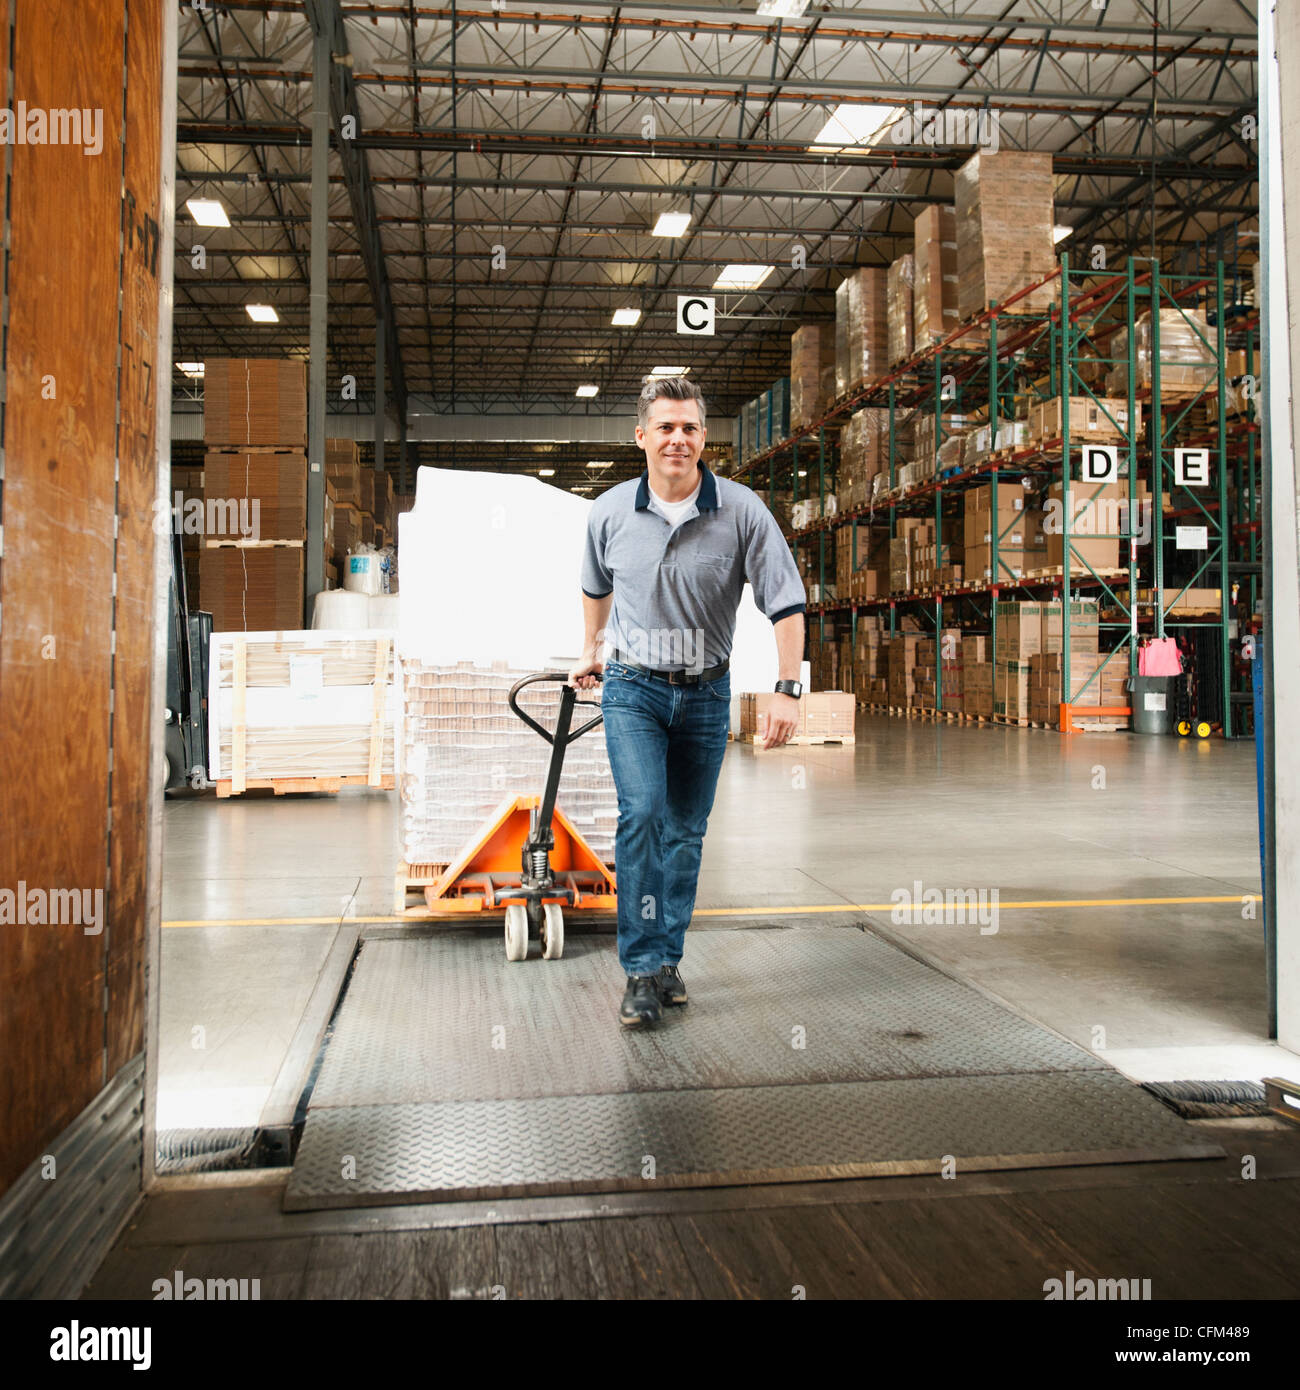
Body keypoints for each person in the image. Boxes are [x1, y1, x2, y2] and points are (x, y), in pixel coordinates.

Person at [567, 375, 807, 1028]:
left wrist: (788, 688)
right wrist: (590, 645)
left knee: (685, 832)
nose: (678, 438)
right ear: (641, 436)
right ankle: (642, 970)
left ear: (704, 438)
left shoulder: (742, 511)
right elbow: (596, 586)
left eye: (690, 428)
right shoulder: (610, 512)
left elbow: (785, 600)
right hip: (632, 690)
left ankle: (668, 957)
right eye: (665, 427)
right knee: (642, 815)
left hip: (706, 695)